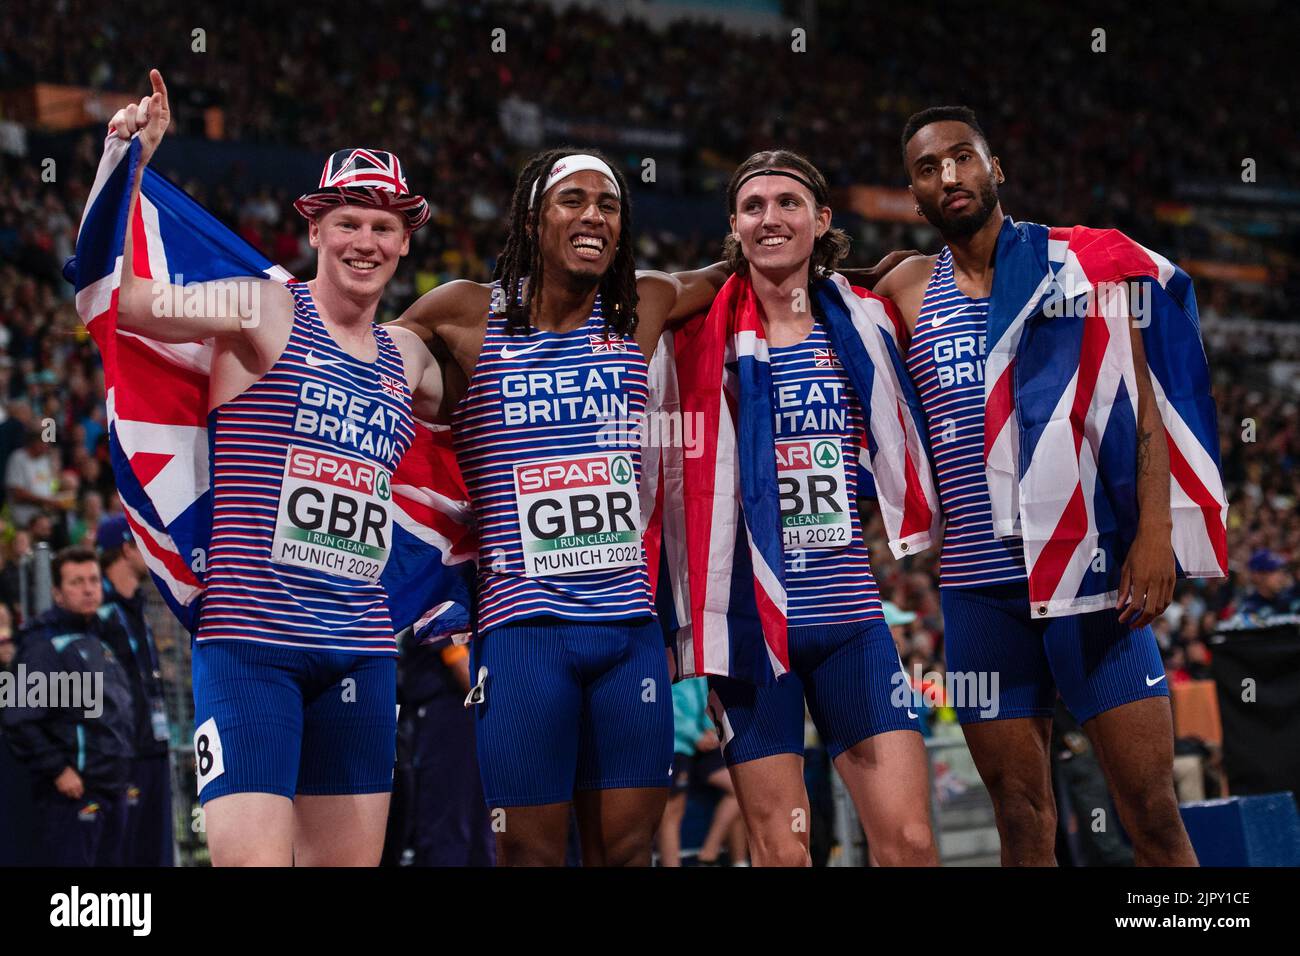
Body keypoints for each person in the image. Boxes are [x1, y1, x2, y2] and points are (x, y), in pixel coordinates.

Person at [104, 69, 451, 866]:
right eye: (349, 223)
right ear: (317, 230)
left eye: (384, 228)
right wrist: (130, 163)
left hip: (361, 652)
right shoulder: (262, 308)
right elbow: (118, 300)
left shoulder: (409, 357)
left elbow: (501, 413)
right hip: (251, 644)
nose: (366, 241)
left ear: (405, 243)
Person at [874, 105, 1215, 865]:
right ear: (914, 194)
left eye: (962, 157)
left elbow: (1145, 401)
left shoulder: (1080, 264)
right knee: (1022, 821)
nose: (949, 176)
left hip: (1088, 573)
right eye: (928, 169)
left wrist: (1155, 533)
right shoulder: (903, 284)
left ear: (997, 169)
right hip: (977, 591)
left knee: (1153, 812)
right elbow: (790, 287)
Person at [394, 148, 733, 866]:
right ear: (530, 216)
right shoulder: (461, 313)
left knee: (628, 852)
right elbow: (360, 348)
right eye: (572, 200)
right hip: (522, 638)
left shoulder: (640, 306)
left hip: (627, 636)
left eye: (609, 205)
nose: (594, 216)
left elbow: (745, 272)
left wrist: (856, 269)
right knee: (531, 858)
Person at [682, 150, 937, 867]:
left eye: (789, 202)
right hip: (750, 629)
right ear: (734, 223)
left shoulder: (867, 321)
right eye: (754, 205)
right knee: (783, 852)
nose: (771, 217)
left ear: (821, 219)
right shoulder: (696, 327)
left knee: (912, 843)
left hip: (851, 620)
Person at [1, 547, 135, 866]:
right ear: (57, 593)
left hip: (112, 786)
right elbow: (18, 718)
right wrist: (59, 770)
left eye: (92, 580)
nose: (88, 589)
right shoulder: (44, 646)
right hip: (75, 793)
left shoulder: (102, 640)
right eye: (76, 582)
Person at [97, 514, 173, 866]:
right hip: (124, 753)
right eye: (145, 542)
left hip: (153, 747)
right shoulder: (101, 615)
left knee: (155, 849)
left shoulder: (137, 608)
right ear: (126, 548)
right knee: (126, 851)